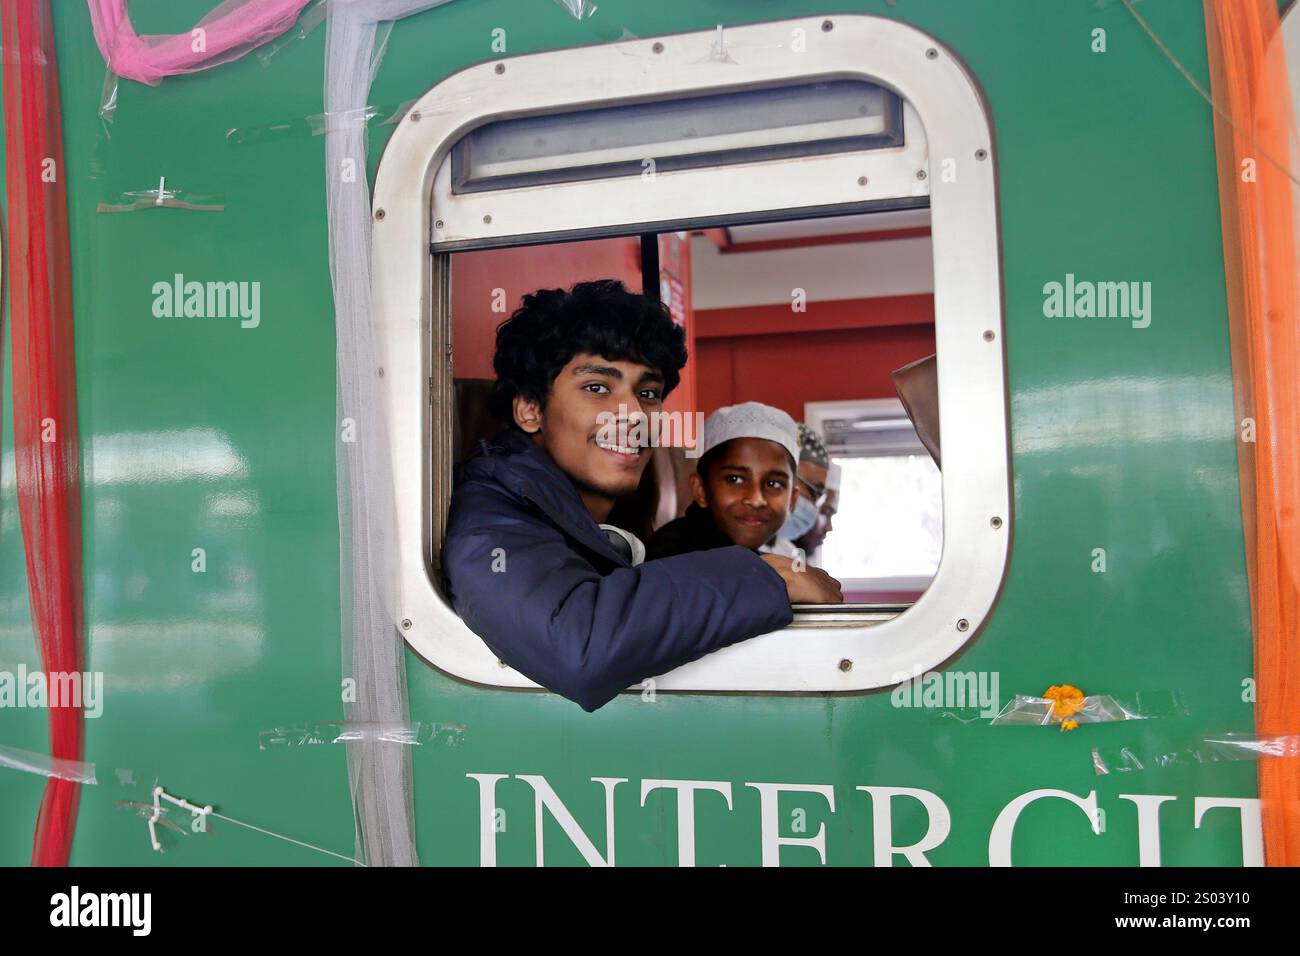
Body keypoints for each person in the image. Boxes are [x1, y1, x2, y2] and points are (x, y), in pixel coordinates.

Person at [441, 280, 842, 713]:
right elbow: (578, 646)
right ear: (530, 410)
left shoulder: (615, 519)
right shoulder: (491, 510)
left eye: (647, 393)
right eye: (597, 388)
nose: (633, 414)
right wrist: (768, 579)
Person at [646, 402, 809, 559]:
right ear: (700, 490)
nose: (756, 499)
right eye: (735, 479)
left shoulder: (753, 560)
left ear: (792, 500)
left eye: (773, 484)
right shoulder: (673, 559)